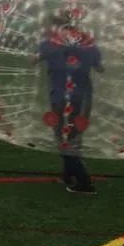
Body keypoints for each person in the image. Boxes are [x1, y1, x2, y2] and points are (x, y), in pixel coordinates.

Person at [36, 15, 101, 194]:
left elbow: (33, 60)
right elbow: (100, 68)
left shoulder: (48, 45)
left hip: (60, 99)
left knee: (64, 140)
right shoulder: (89, 46)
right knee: (72, 137)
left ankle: (84, 182)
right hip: (82, 98)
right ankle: (68, 174)